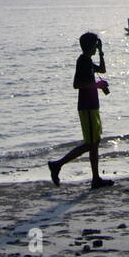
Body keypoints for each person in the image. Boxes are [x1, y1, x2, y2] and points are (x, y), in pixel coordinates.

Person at [48, 32, 114, 189]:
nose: (96, 47)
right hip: (86, 106)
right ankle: (58, 164)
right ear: (90, 45)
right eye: (95, 45)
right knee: (91, 143)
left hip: (93, 105)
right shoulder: (82, 61)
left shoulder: (89, 61)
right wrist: (97, 86)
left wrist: (101, 52)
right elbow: (76, 84)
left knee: (94, 142)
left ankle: (95, 178)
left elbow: (103, 70)